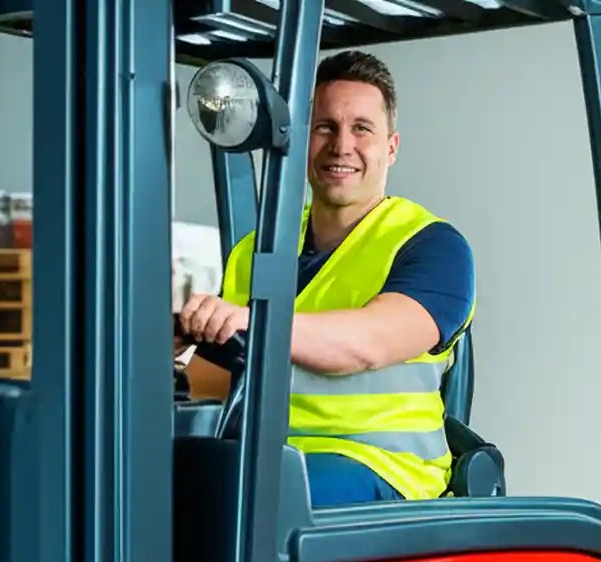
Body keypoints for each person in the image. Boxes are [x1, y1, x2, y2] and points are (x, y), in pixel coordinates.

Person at [176, 50, 476, 507]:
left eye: (361, 128)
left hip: (380, 471)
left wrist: (250, 323)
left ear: (390, 147)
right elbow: (212, 384)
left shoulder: (433, 247)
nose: (341, 145)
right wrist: (169, 349)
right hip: (268, 458)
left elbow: (367, 343)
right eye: (324, 127)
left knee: (236, 498)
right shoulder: (256, 251)